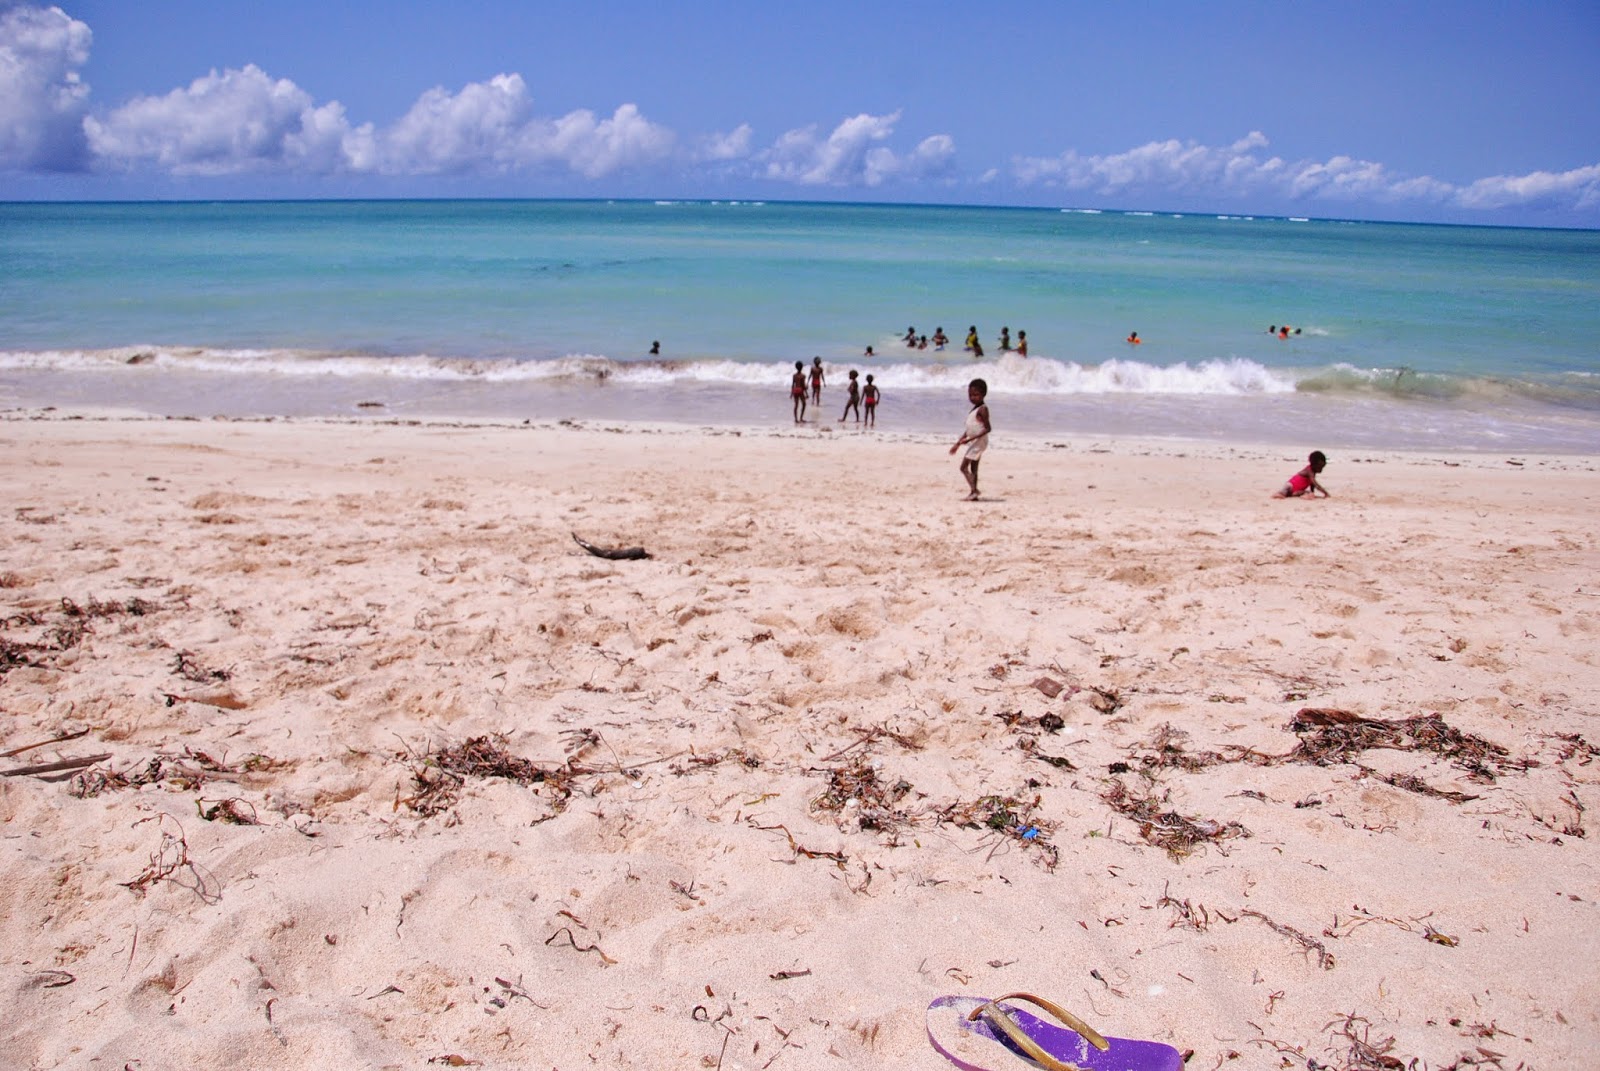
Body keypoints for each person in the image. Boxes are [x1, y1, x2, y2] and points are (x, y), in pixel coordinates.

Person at [949, 378, 991, 501]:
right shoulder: (974, 409)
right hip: (975, 441)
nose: (972, 397)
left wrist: (968, 440)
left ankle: (974, 490)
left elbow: (988, 428)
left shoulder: (983, 409)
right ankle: (973, 493)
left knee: (963, 467)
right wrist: (958, 443)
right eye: (970, 395)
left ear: (983, 394)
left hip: (979, 442)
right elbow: (970, 429)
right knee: (973, 468)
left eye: (976, 395)